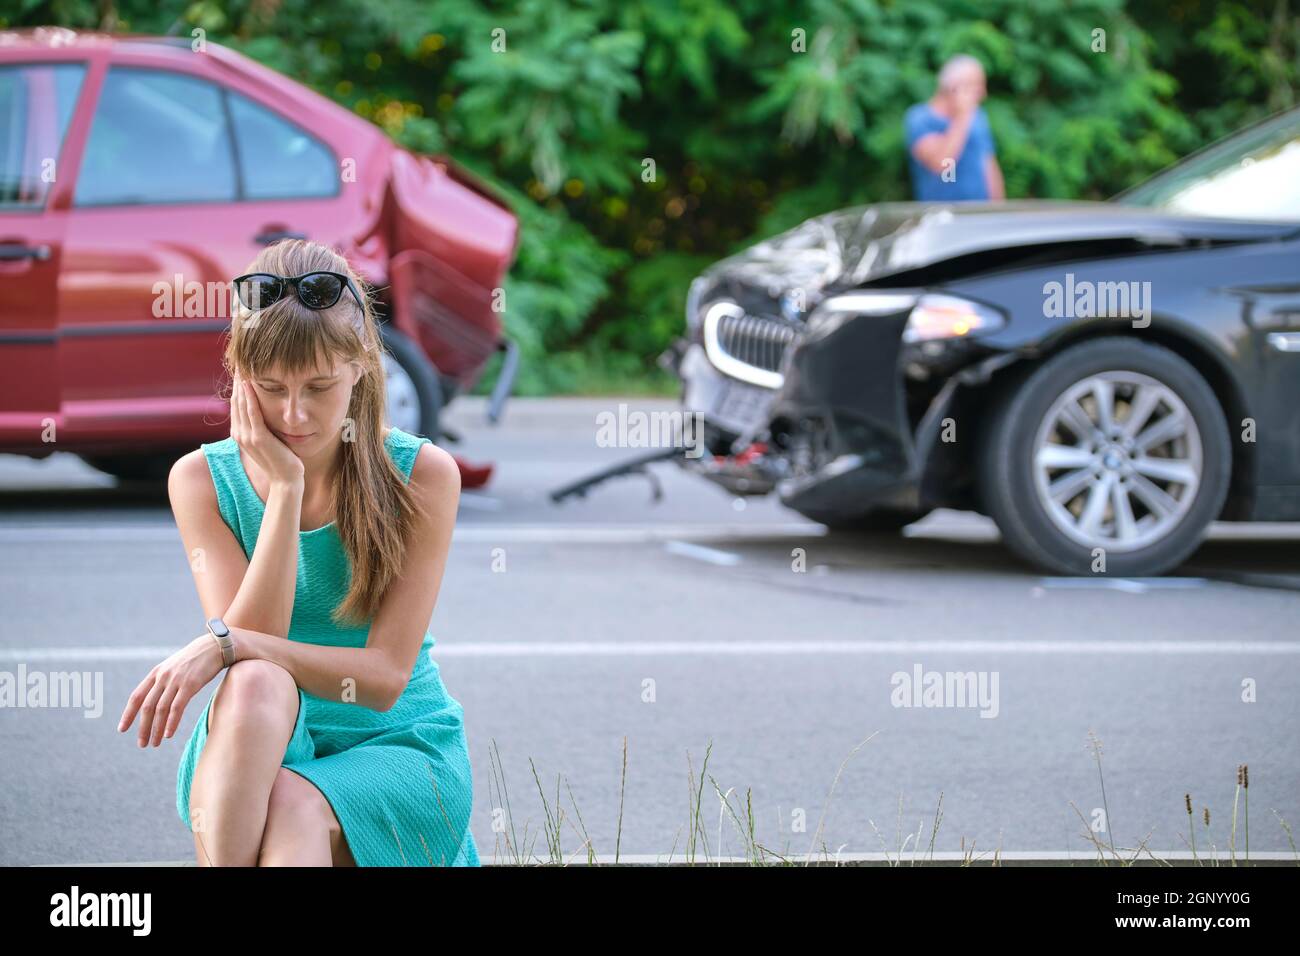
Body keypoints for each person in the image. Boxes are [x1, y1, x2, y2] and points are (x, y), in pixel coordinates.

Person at [116, 238, 479, 867]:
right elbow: (253, 646)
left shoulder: (422, 474)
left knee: (293, 802)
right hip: (257, 739)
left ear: (362, 363)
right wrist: (284, 492)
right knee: (257, 682)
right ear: (238, 378)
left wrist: (228, 643)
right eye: (270, 387)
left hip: (396, 741)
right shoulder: (200, 482)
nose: (293, 414)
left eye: (318, 386)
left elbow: (386, 679)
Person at [904, 54, 1005, 202]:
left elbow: (988, 164)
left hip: (981, 214)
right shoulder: (920, 119)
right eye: (977, 86)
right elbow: (944, 164)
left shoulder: (977, 116)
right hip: (942, 214)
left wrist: (999, 206)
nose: (983, 93)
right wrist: (962, 117)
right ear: (954, 88)